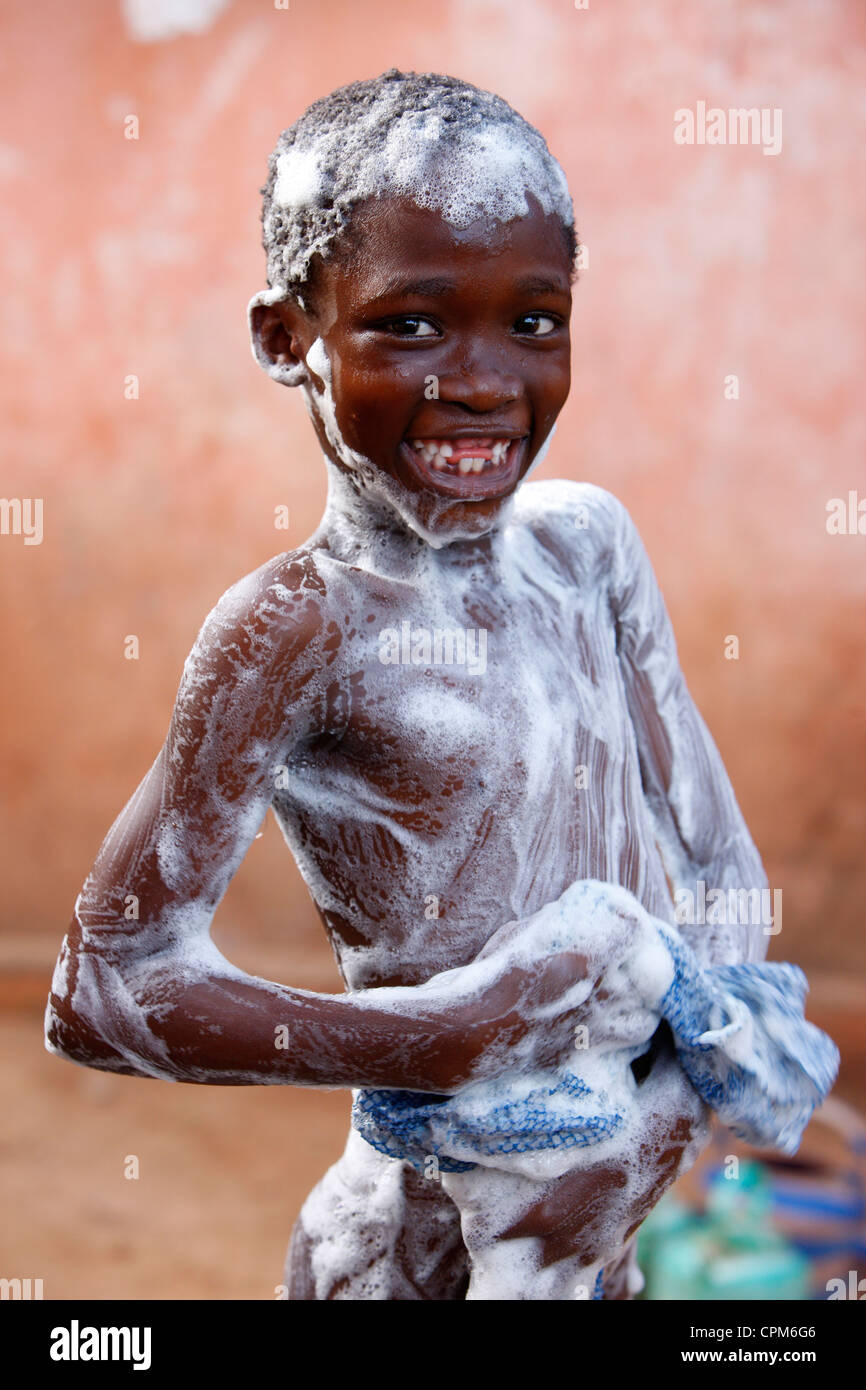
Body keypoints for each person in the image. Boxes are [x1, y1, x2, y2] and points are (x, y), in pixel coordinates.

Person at [45, 69, 794, 1299]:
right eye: (410, 323)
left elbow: (718, 868)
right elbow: (105, 987)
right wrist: (443, 1040)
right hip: (411, 1234)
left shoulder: (586, 546)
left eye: (533, 321)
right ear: (286, 338)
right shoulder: (296, 627)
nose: (484, 381)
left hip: (580, 1239)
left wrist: (646, 1130)